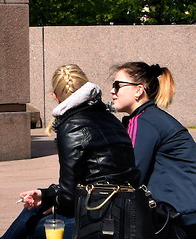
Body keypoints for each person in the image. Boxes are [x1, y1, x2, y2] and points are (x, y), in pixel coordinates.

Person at [12, 63, 155, 239]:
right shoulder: (112, 120)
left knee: (35, 223)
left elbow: (70, 197)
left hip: (99, 218)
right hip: (120, 210)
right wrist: (45, 194)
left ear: (56, 97)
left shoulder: (71, 126)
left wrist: (54, 202)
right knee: (36, 210)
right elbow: (89, 180)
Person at [111, 62, 196, 236]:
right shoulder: (150, 117)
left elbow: (129, 176)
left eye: (117, 85)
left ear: (138, 90)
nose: (113, 91)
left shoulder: (144, 121)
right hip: (186, 212)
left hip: (180, 219)